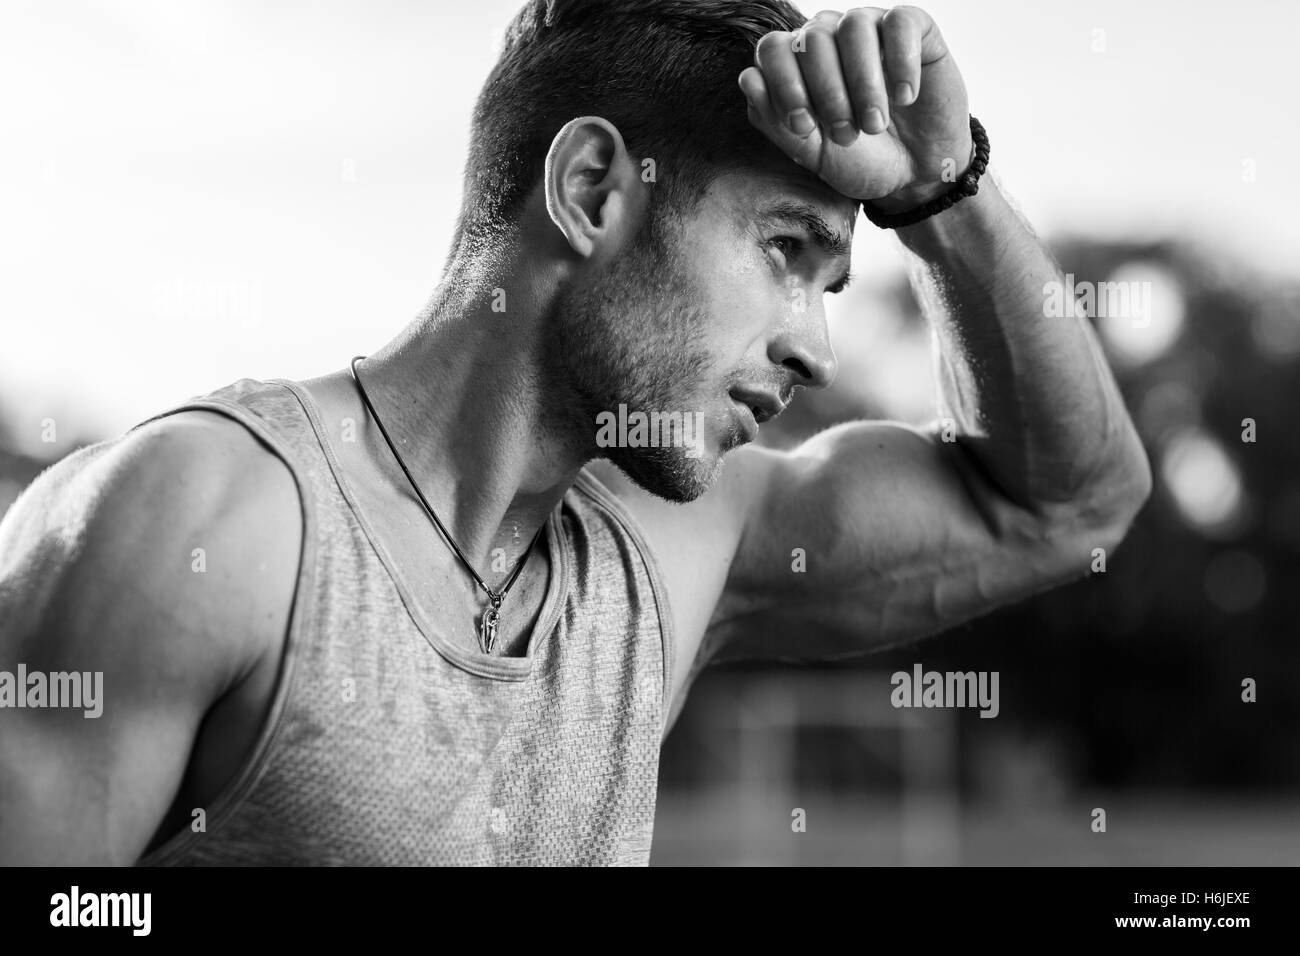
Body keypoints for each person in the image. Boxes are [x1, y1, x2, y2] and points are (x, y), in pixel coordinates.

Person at [0, 1, 1150, 865]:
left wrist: (943, 196)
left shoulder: (678, 546)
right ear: (595, 188)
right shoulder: (204, 524)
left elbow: (1065, 506)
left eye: (833, 283)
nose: (813, 346)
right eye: (783, 252)